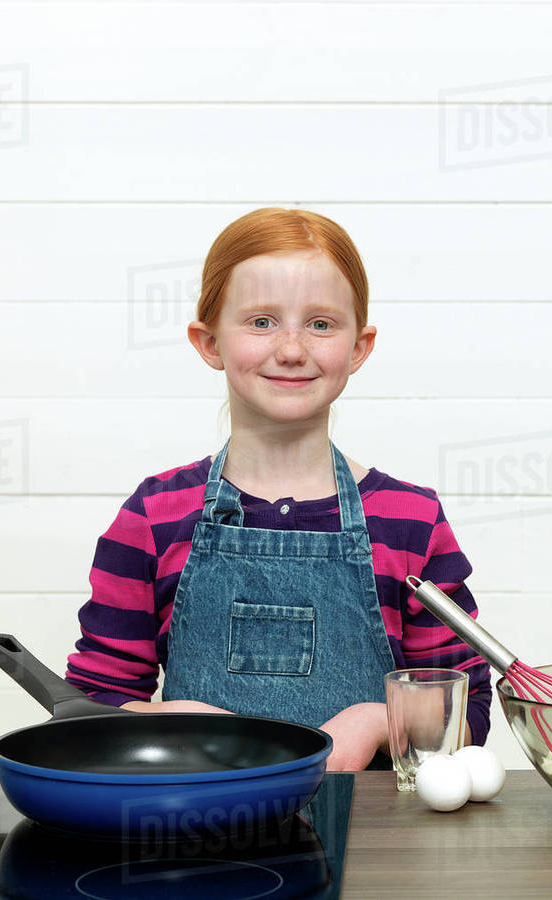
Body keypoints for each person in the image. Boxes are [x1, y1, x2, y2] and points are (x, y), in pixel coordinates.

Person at [64, 208, 492, 771]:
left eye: (320, 323)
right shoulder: (154, 515)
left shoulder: (412, 520)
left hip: (373, 843)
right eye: (261, 322)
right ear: (208, 341)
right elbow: (89, 708)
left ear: (359, 347)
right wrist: (176, 722)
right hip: (198, 836)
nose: (291, 349)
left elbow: (468, 710)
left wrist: (376, 720)